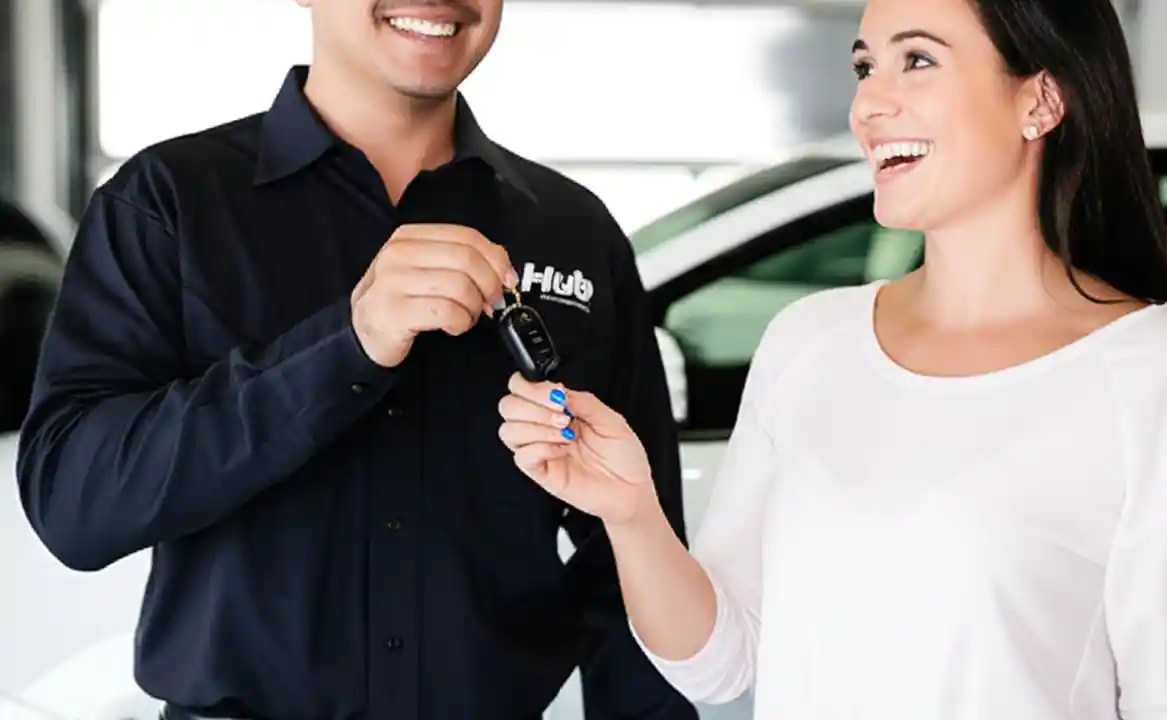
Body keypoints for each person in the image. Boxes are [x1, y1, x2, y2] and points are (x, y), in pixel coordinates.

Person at [495, 0, 1167, 717]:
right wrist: (632, 516)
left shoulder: (1159, 373)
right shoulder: (809, 340)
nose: (869, 106)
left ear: (1040, 101)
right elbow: (720, 664)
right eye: (866, 68)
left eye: (918, 61)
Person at [15, 0, 695, 718]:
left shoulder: (573, 231)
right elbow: (76, 506)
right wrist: (347, 344)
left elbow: (631, 560)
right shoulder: (168, 202)